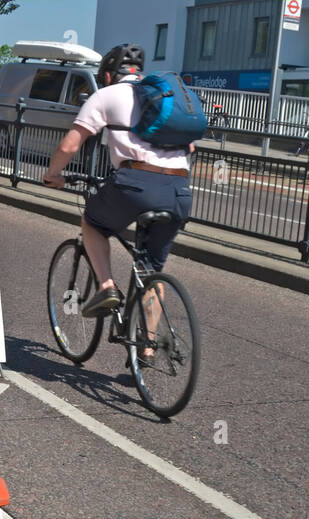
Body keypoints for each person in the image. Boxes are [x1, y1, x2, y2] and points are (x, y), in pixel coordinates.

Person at [42, 43, 193, 352]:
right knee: (151, 269)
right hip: (179, 189)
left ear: (109, 74)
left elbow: (71, 144)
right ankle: (147, 349)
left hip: (135, 184)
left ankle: (107, 286)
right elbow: (189, 148)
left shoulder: (106, 95)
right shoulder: (164, 98)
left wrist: (53, 173)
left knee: (93, 222)